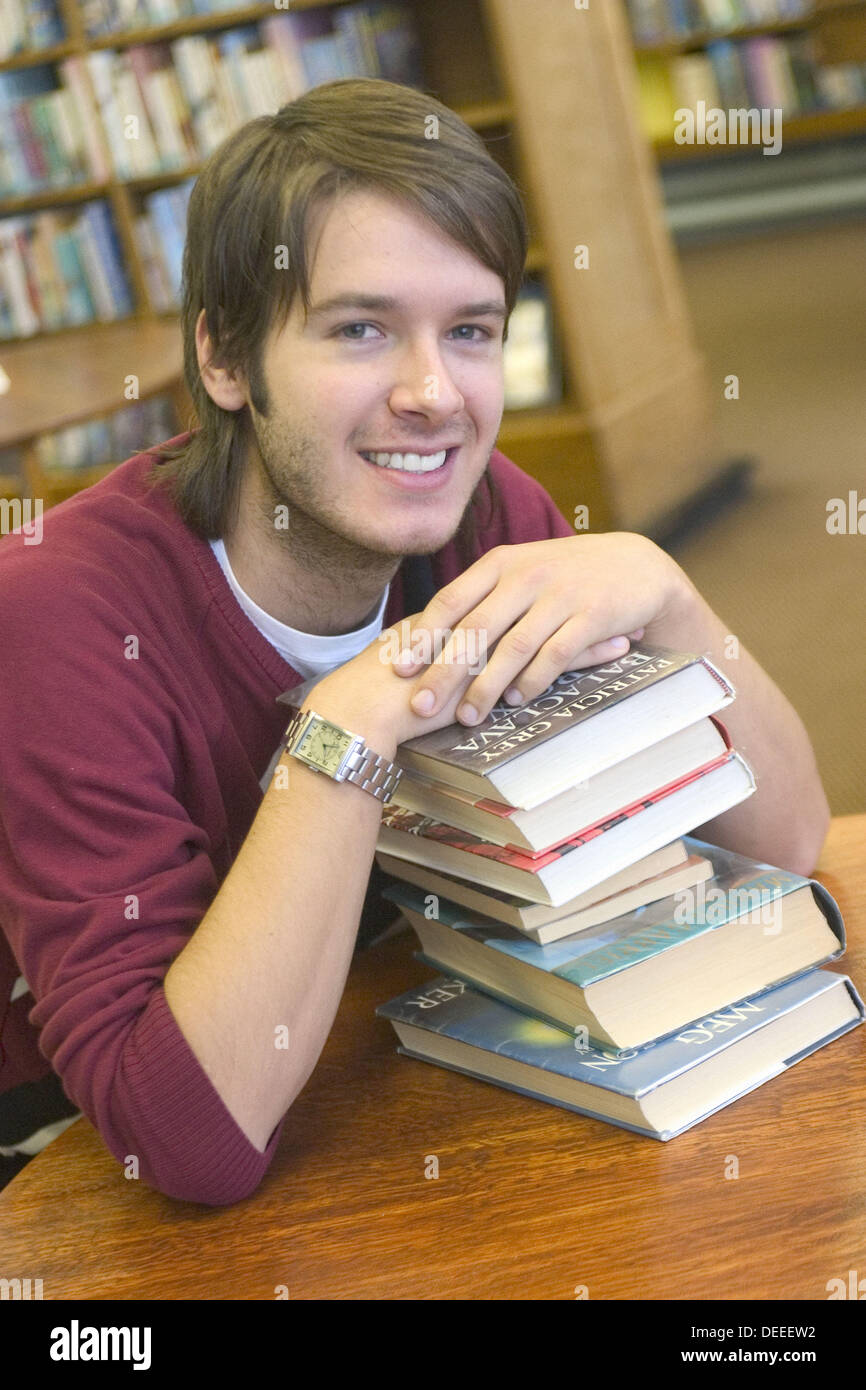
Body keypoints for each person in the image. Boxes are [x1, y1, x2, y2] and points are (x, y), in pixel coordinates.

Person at [0, 79, 828, 1204]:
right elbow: (181, 1145)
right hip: (69, 1156)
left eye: (470, 331)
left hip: (371, 1048)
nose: (433, 395)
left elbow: (776, 849)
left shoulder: (478, 515)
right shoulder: (58, 611)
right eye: (359, 329)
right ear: (226, 360)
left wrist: (674, 601)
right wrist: (347, 724)